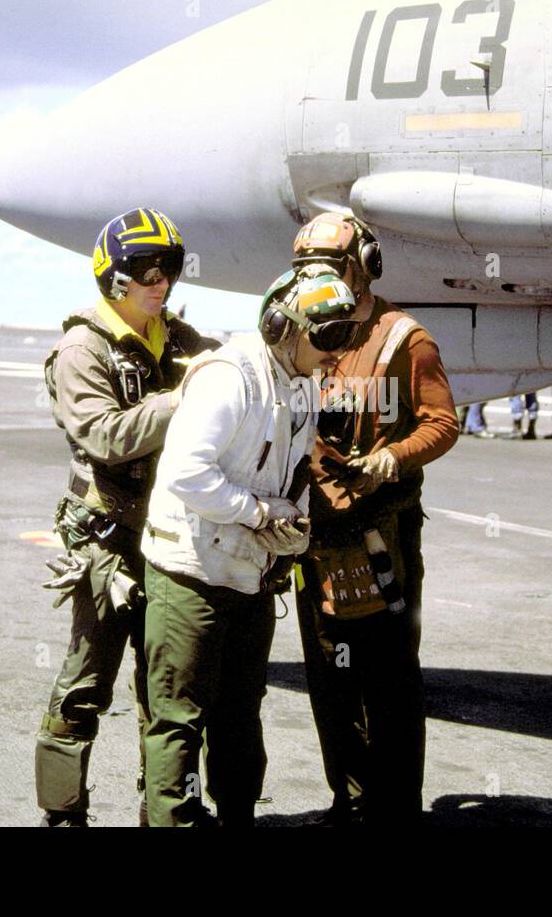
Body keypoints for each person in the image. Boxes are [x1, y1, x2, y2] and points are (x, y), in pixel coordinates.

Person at [140, 266, 358, 826]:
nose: (338, 352)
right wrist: (258, 513)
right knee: (179, 720)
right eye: (328, 337)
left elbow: (294, 479)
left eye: (347, 336)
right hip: (190, 572)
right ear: (282, 326)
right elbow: (186, 476)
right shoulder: (229, 377)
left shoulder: (302, 388)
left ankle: (239, 819)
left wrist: (294, 529)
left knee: (240, 714)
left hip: (249, 575)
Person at [33, 208, 217, 827]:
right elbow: (106, 437)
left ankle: (161, 813)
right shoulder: (82, 349)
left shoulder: (185, 342)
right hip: (106, 541)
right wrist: (185, 397)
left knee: (166, 689)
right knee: (86, 684)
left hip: (171, 536)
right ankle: (63, 815)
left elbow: (232, 381)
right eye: (145, 269)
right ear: (113, 274)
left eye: (168, 267)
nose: (160, 280)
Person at [290, 211, 459, 826]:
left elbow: (443, 423)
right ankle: (351, 801)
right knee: (331, 677)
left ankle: (395, 811)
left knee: (388, 678)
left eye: (329, 271)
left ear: (362, 268)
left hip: (382, 534)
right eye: (306, 273)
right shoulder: (300, 336)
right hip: (318, 539)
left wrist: (391, 458)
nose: (317, 286)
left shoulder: (403, 339)